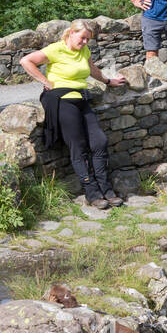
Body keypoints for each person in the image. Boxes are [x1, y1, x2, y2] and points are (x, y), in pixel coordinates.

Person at [19, 20, 127, 210]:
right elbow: (26, 61)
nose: (85, 42)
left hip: (81, 99)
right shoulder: (56, 49)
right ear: (71, 33)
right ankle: (92, 193)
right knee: (78, 147)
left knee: (99, 142)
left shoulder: (84, 51)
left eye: (88, 39)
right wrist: (45, 81)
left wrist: (109, 81)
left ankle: (106, 190)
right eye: (82, 37)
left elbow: (92, 70)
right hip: (62, 101)